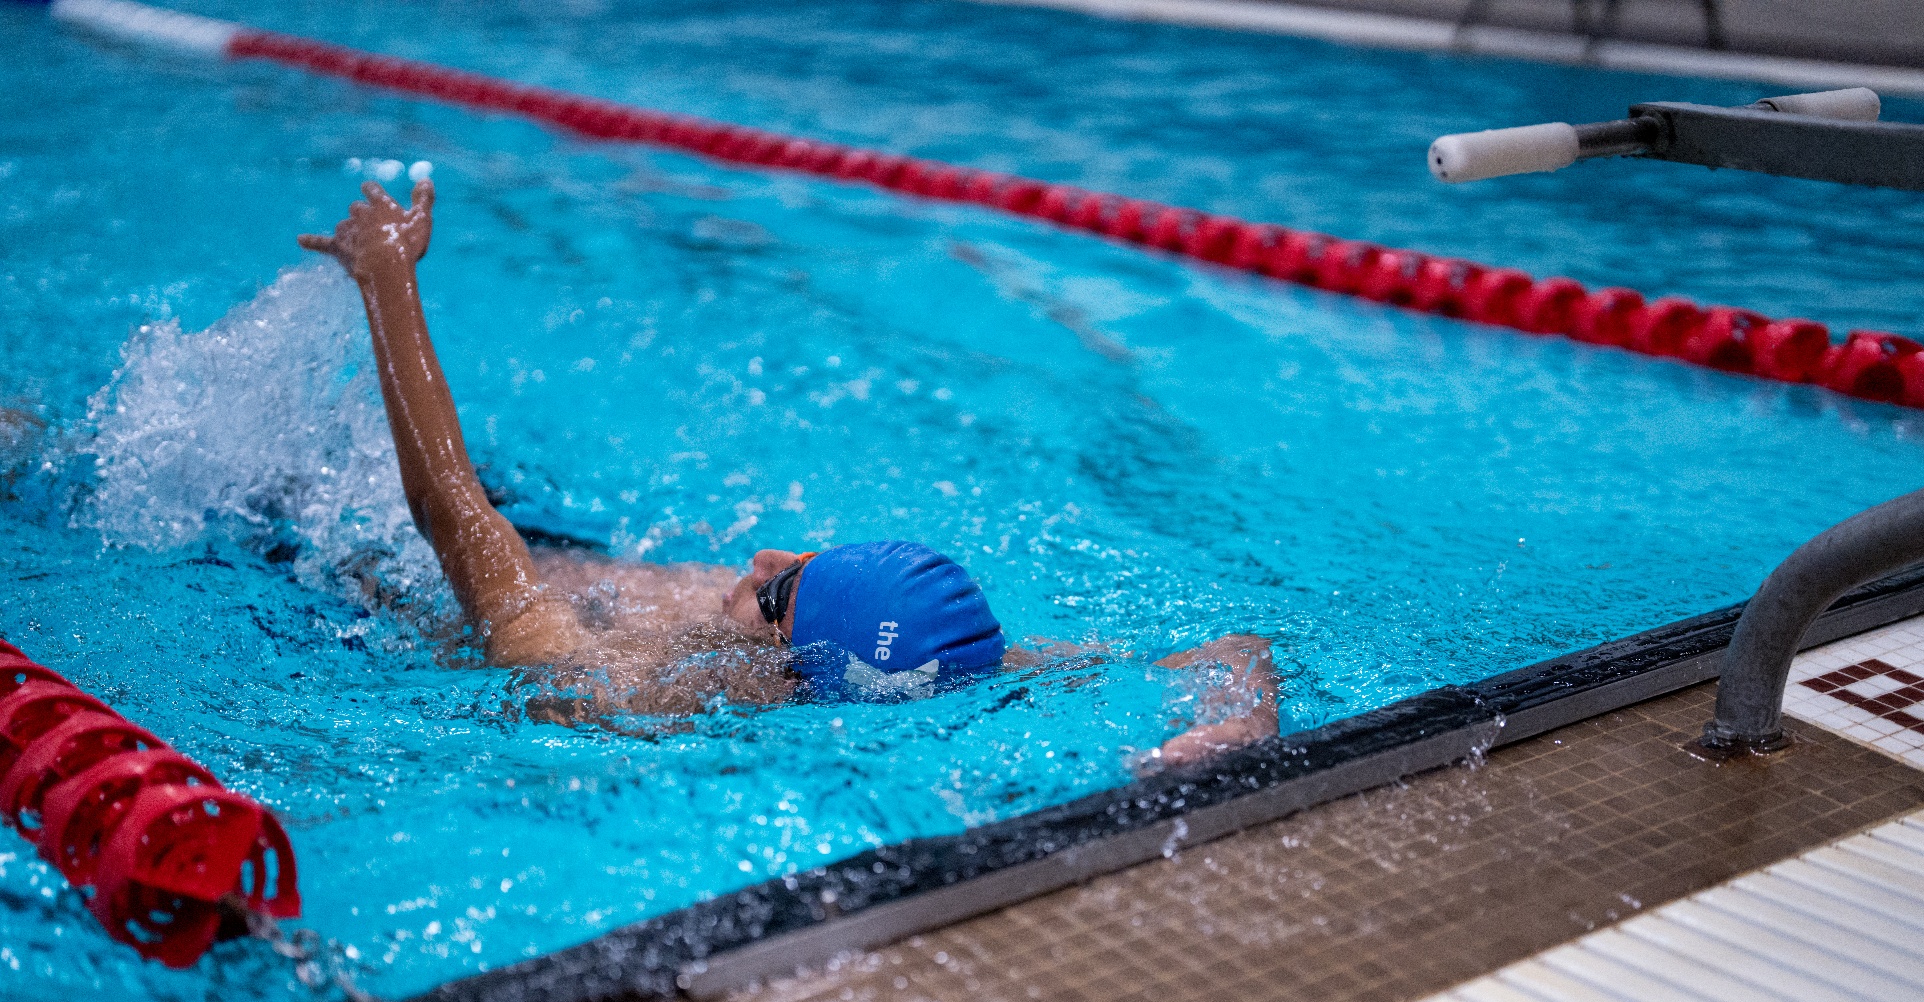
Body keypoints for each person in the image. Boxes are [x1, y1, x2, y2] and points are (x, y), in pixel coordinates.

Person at [301, 181, 1277, 766]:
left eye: (778, 589)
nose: (762, 554)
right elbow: (1230, 649)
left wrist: (387, 279)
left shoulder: (595, 688)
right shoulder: (936, 667)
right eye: (802, 555)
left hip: (348, 569)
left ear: (785, 667)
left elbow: (443, 505)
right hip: (570, 541)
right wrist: (1238, 717)